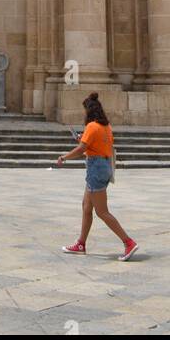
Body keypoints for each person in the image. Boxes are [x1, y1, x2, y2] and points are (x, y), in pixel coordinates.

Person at [56, 91, 138, 260]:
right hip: (105, 166)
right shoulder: (105, 126)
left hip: (96, 168)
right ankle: (81, 244)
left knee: (102, 212)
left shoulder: (92, 126)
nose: (84, 114)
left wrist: (64, 157)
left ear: (89, 111)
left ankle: (128, 242)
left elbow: (81, 150)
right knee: (87, 206)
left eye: (85, 111)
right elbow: (98, 144)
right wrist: (83, 140)